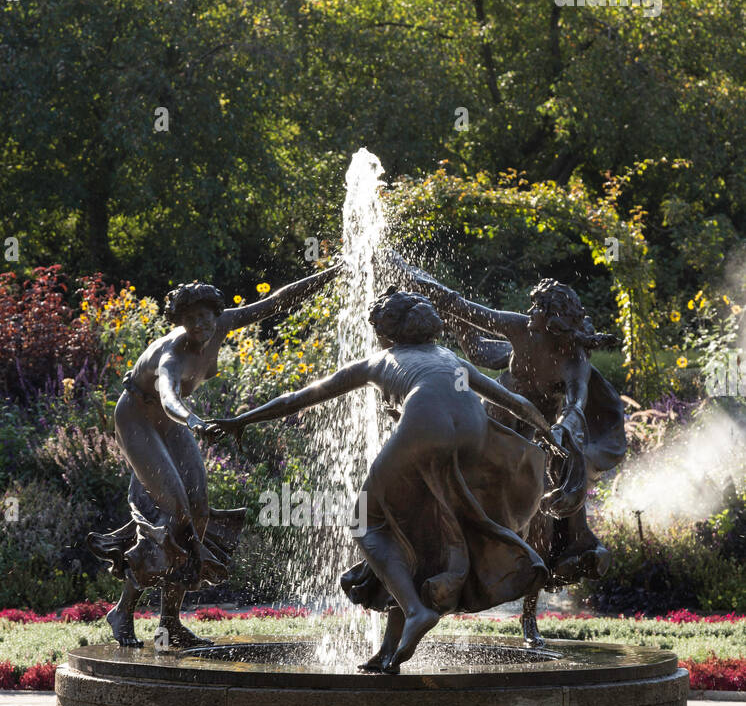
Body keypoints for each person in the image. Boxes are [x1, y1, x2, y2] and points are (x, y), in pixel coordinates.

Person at [206, 288, 567, 673]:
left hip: (427, 425)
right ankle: (389, 652)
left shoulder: (381, 359)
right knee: (407, 535)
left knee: (364, 521)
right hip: (474, 431)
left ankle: (416, 611)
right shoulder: (452, 360)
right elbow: (519, 404)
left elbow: (301, 397)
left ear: (386, 332)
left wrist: (240, 420)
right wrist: (551, 435)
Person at [88, 263, 339, 648]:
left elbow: (275, 302)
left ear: (215, 314)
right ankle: (123, 610)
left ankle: (169, 623)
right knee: (174, 513)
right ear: (182, 322)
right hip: (139, 418)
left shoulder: (223, 324)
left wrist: (330, 273)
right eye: (190, 320)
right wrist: (193, 420)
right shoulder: (171, 356)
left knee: (199, 512)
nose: (199, 326)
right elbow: (169, 397)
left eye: (204, 317)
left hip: (174, 420)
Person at [389, 255, 627, 644]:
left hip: (537, 436)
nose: (529, 311)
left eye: (538, 308)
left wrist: (565, 431)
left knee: (541, 518)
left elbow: (576, 403)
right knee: (457, 495)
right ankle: (429, 576)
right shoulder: (519, 328)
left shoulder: (573, 359)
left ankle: (529, 616)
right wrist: (411, 274)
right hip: (495, 424)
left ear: (553, 322)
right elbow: (461, 307)